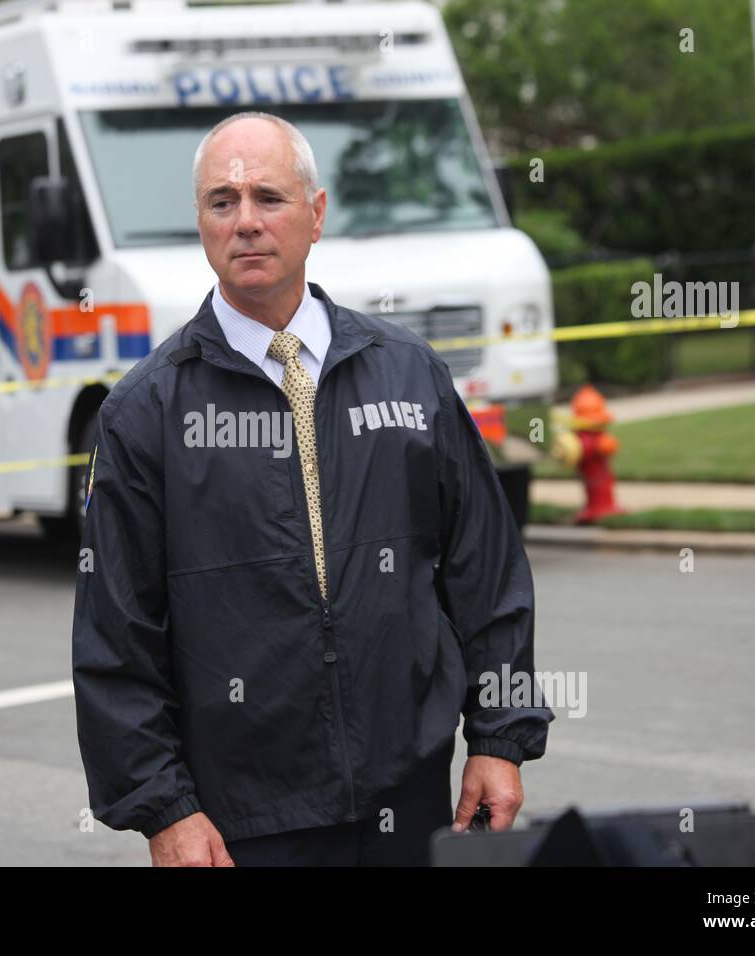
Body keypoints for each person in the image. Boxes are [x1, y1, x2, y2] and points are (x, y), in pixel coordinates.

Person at [72, 111, 553, 866]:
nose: (246, 223)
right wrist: (164, 809)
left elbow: (485, 574)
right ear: (199, 222)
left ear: (317, 213)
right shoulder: (145, 413)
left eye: (269, 197)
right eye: (221, 203)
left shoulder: (408, 373)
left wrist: (499, 737)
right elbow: (116, 635)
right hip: (245, 824)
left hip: (413, 799)